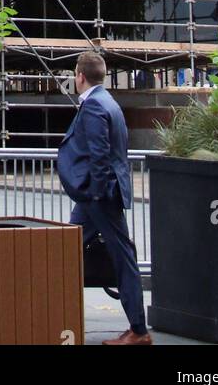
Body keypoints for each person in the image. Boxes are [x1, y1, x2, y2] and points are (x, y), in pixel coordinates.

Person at [57, 49, 151, 346]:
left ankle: (138, 330)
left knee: (122, 258)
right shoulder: (107, 102)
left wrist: (95, 193)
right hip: (95, 197)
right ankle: (57, 316)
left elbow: (99, 155)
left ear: (80, 76)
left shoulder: (96, 106)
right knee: (66, 251)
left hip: (98, 197)